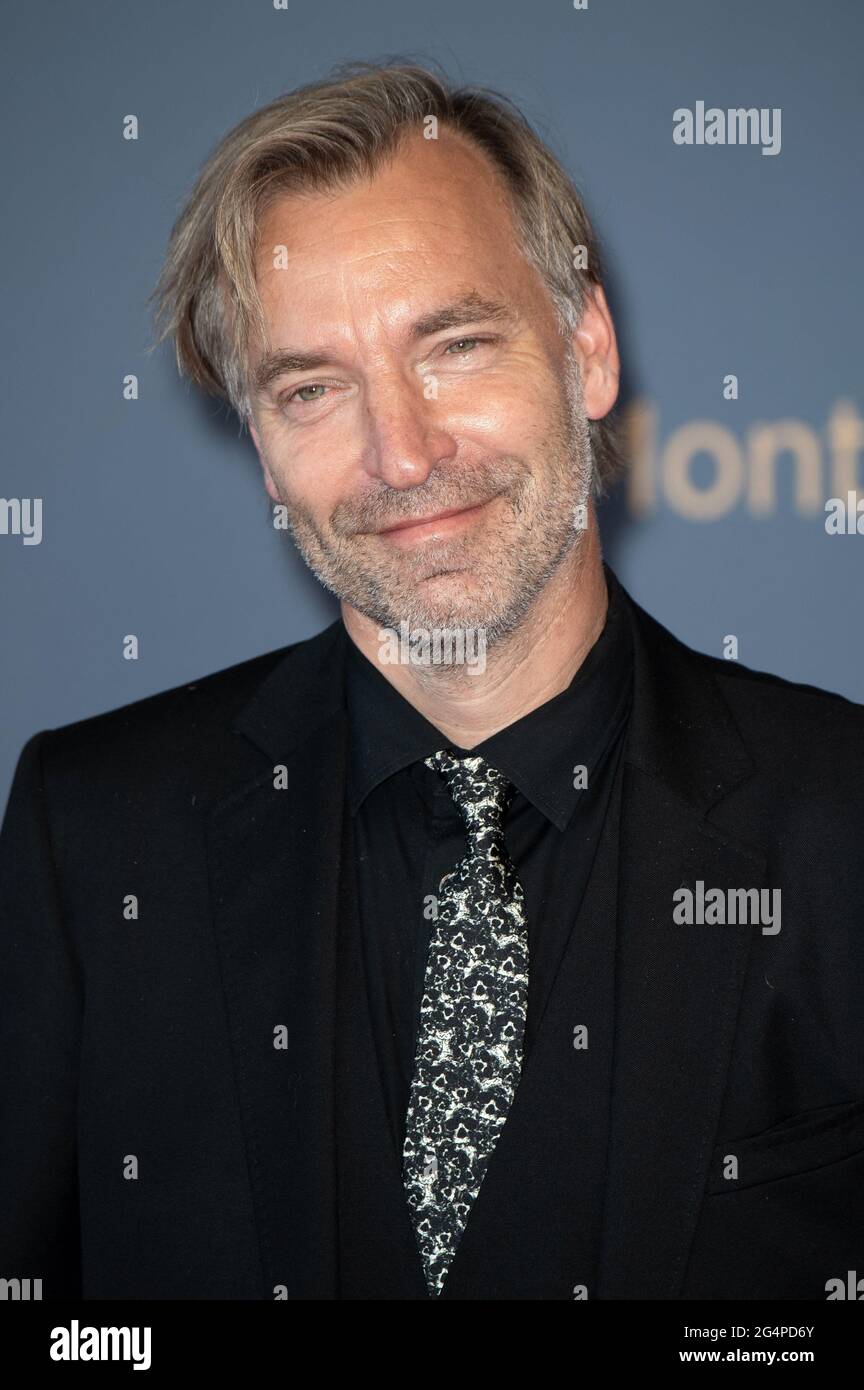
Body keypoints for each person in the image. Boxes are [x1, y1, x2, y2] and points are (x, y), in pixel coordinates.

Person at [1, 62, 862, 1301]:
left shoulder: (843, 820)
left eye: (454, 345)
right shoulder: (91, 836)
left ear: (588, 348)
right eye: (311, 388)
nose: (401, 452)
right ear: (261, 447)